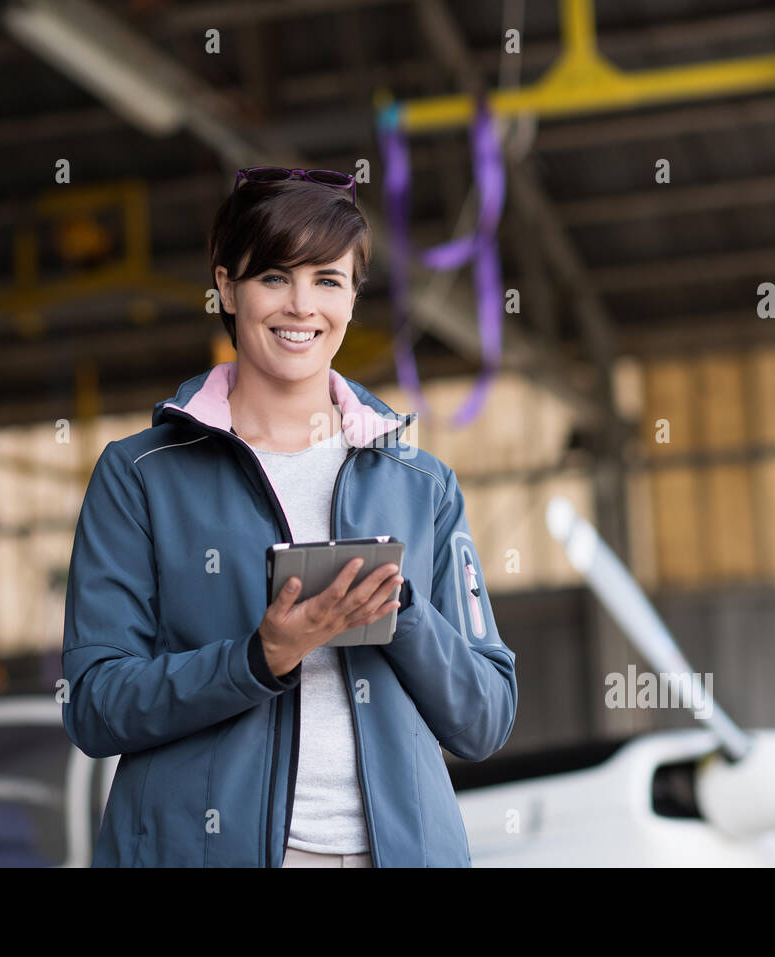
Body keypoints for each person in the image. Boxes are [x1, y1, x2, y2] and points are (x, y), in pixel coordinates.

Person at [61, 167, 517, 867]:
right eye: (274, 276)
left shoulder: (422, 484)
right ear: (226, 286)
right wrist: (258, 658)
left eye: (328, 280)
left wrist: (400, 609)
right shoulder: (141, 477)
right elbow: (95, 703)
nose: (302, 306)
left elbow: (485, 717)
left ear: (353, 298)